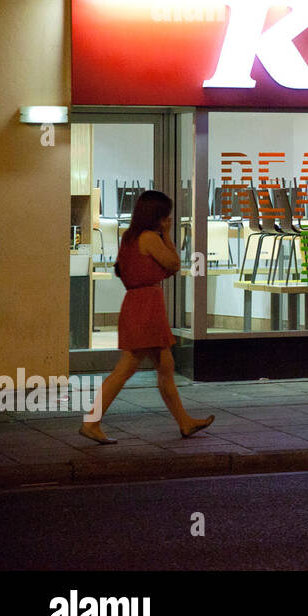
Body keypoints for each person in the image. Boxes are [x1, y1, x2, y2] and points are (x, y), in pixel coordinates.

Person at [79, 190, 215, 445]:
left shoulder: (129, 238)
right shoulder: (151, 238)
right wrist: (169, 236)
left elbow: (125, 270)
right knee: (126, 367)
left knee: (165, 366)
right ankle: (91, 421)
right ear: (159, 216)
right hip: (146, 307)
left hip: (137, 303)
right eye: (167, 216)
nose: (169, 220)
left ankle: (184, 421)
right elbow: (174, 264)